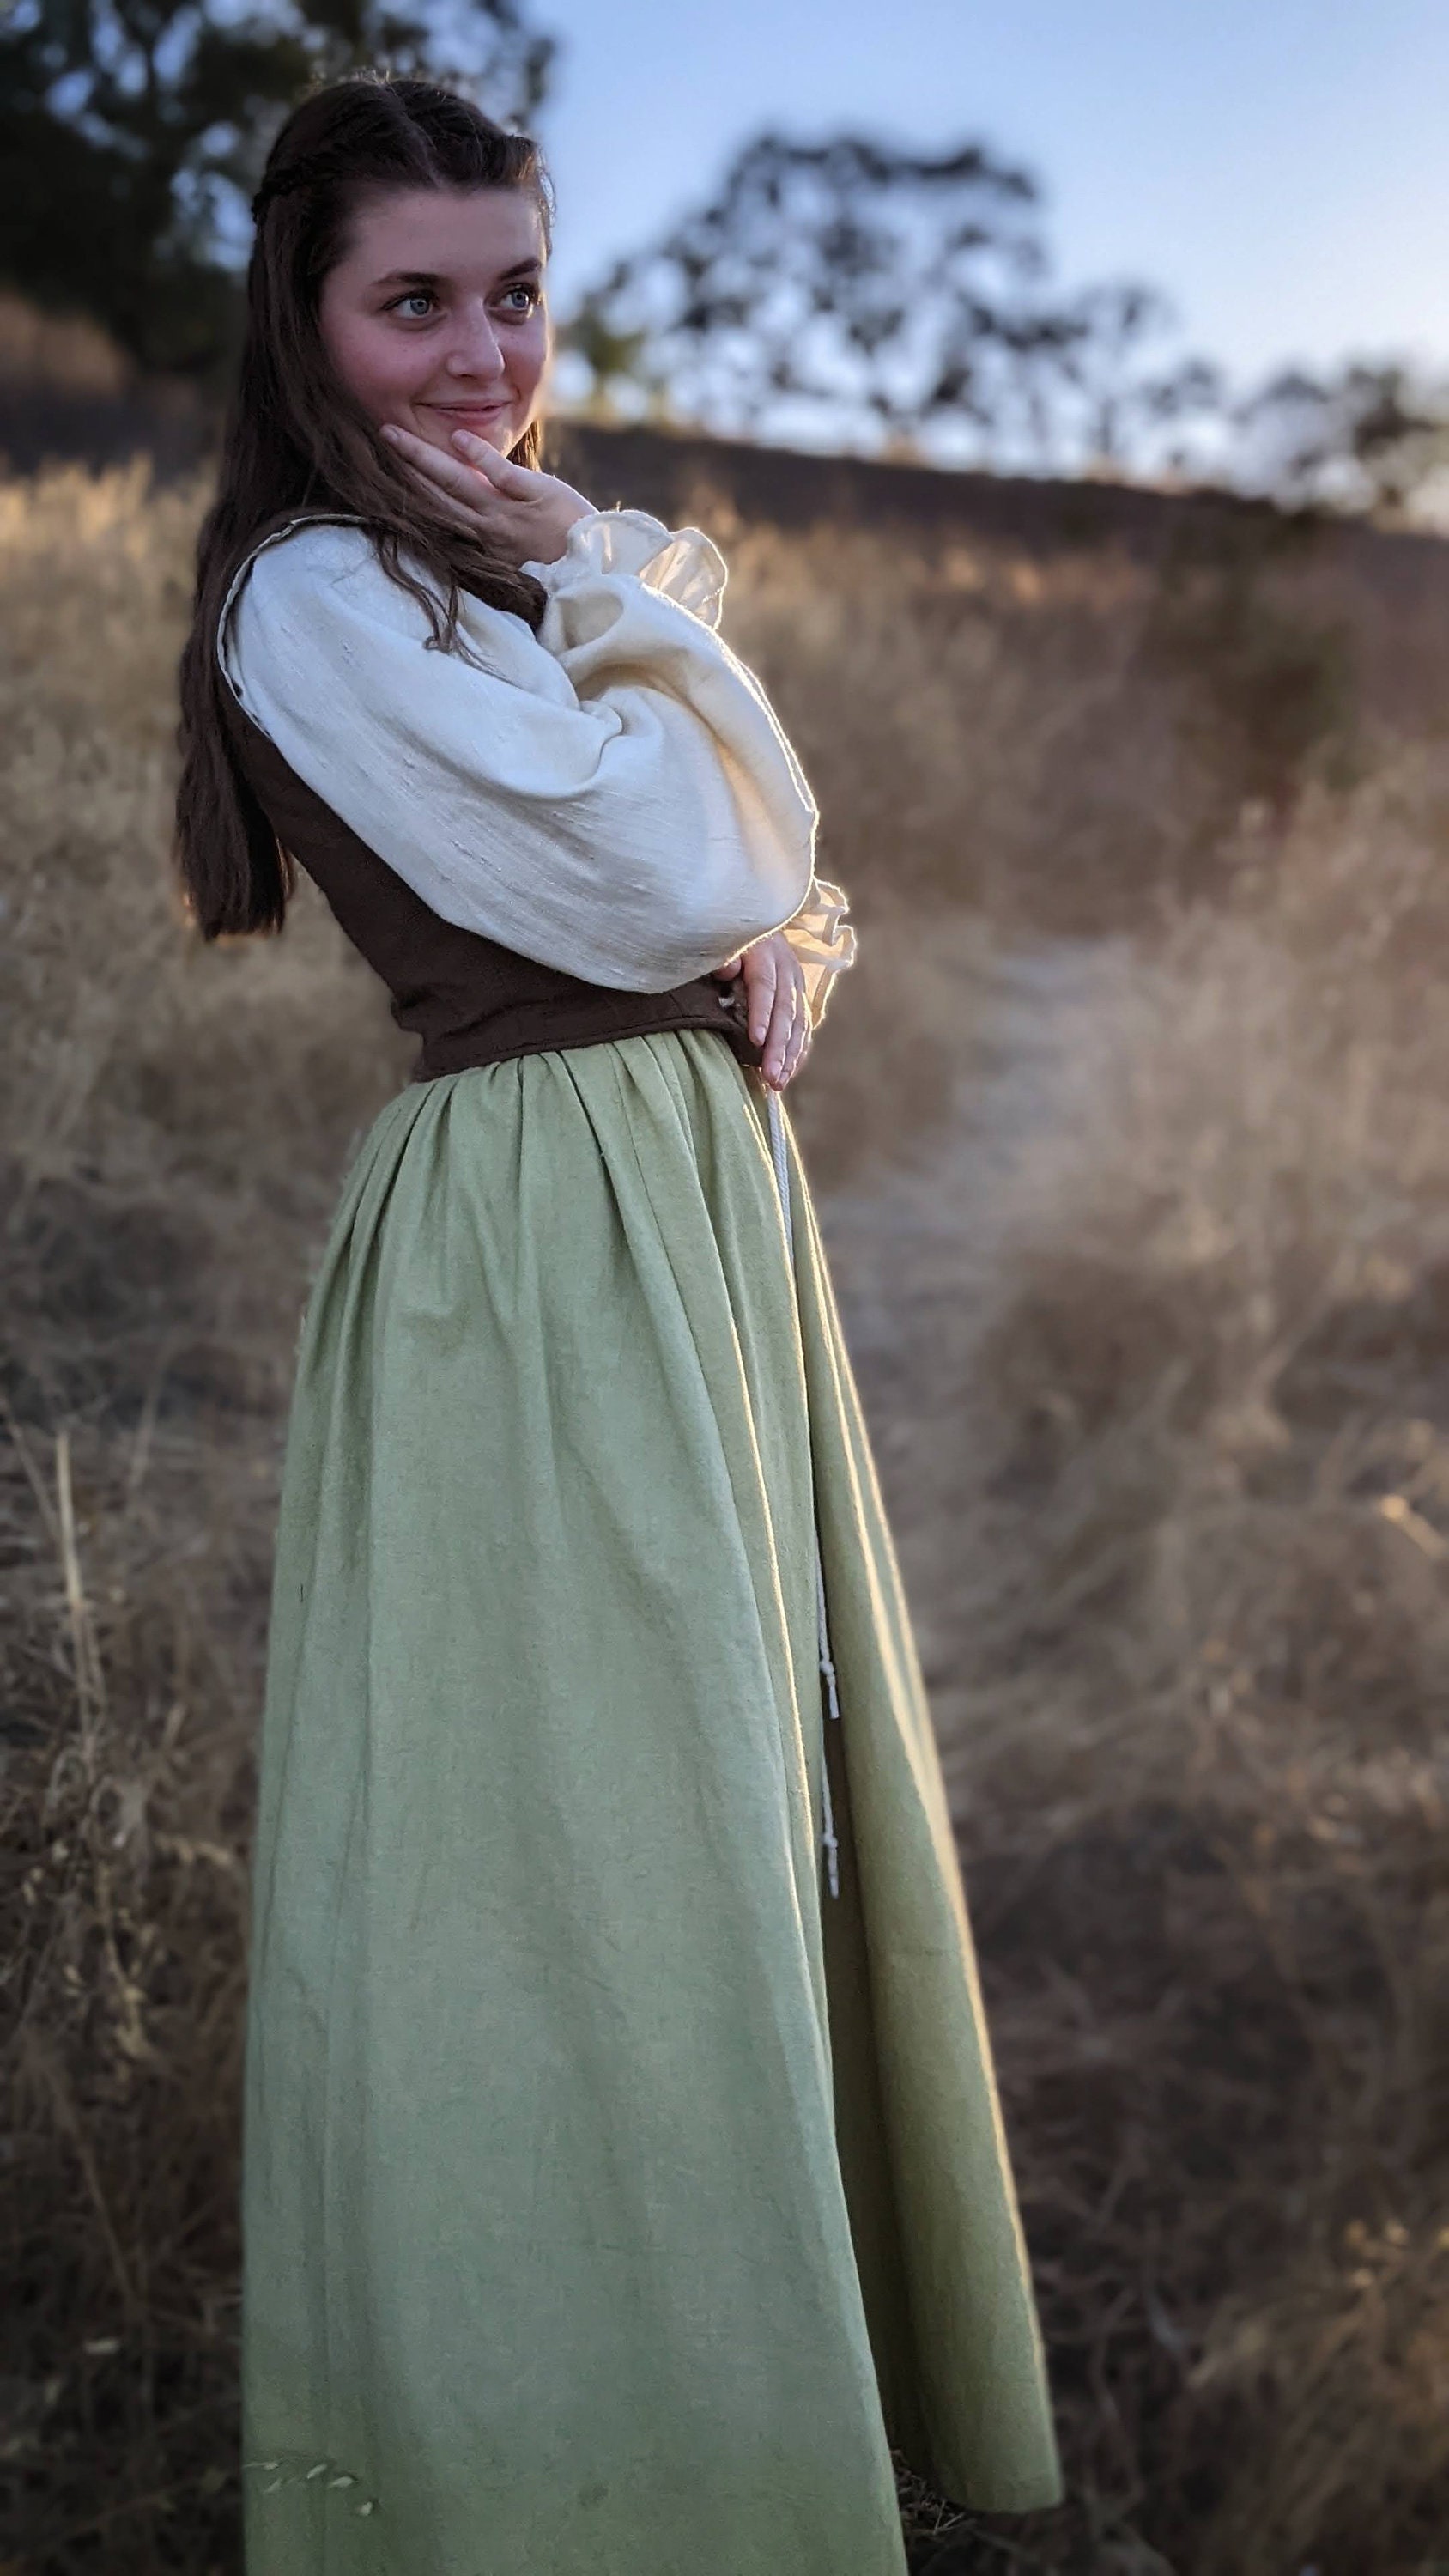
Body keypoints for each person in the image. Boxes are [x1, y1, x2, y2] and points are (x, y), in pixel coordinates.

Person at [173, 70, 1062, 2576]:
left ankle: (750, 2414)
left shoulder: (484, 573)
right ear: (308, 317)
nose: (482, 356)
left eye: (516, 293)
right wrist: (609, 575)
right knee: (575, 1868)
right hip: (531, 1259)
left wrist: (776, 944)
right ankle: (571, 2480)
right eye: (414, 302)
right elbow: (675, 835)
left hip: (682, 1215)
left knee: (732, 1828)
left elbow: (742, 873)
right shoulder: (322, 599)